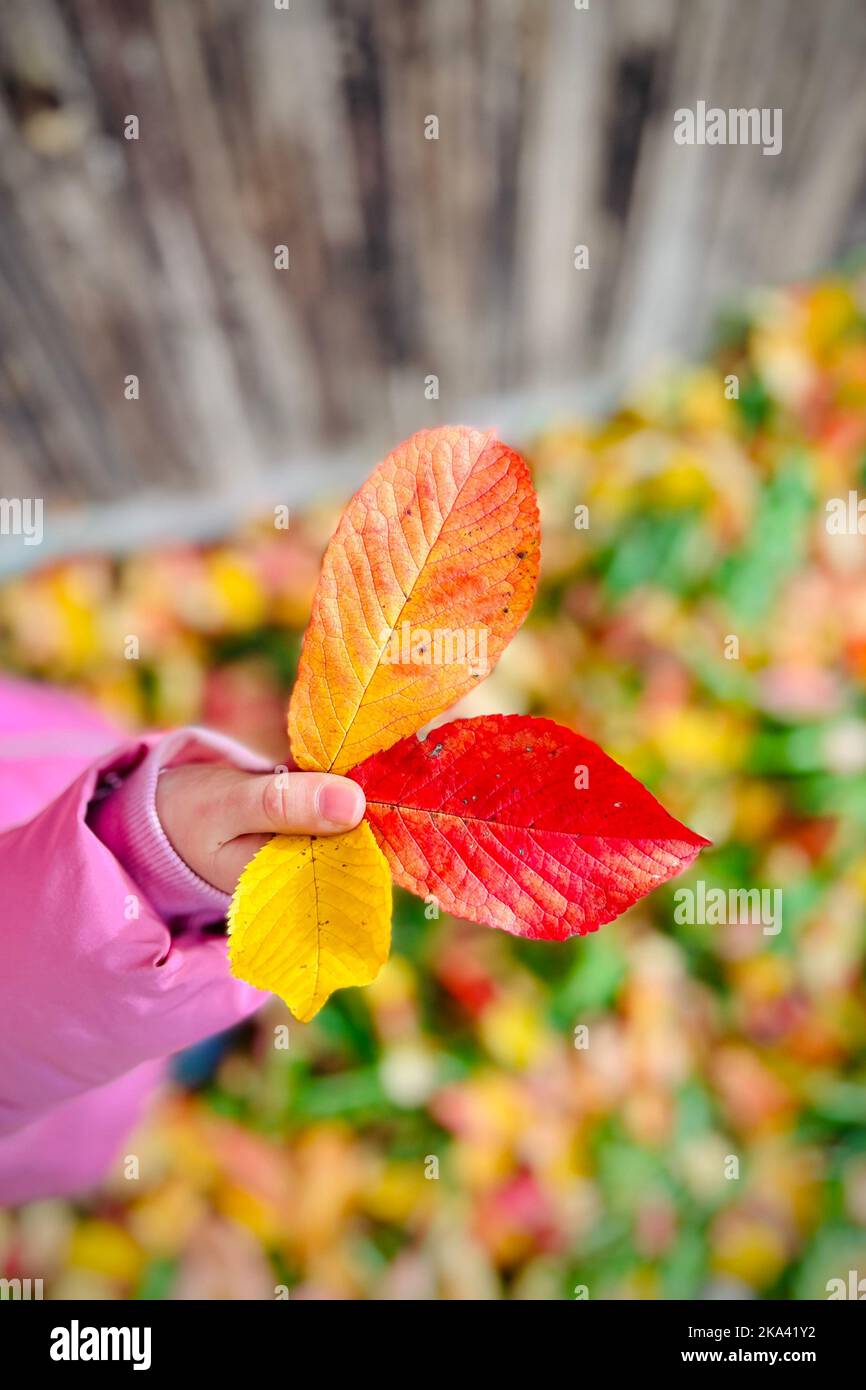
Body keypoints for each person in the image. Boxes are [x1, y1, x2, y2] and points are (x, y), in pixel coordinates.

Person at [0, 675, 366, 1205]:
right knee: (187, 1051)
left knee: (187, 1036)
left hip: (72, 754)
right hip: (72, 1083)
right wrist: (137, 858)